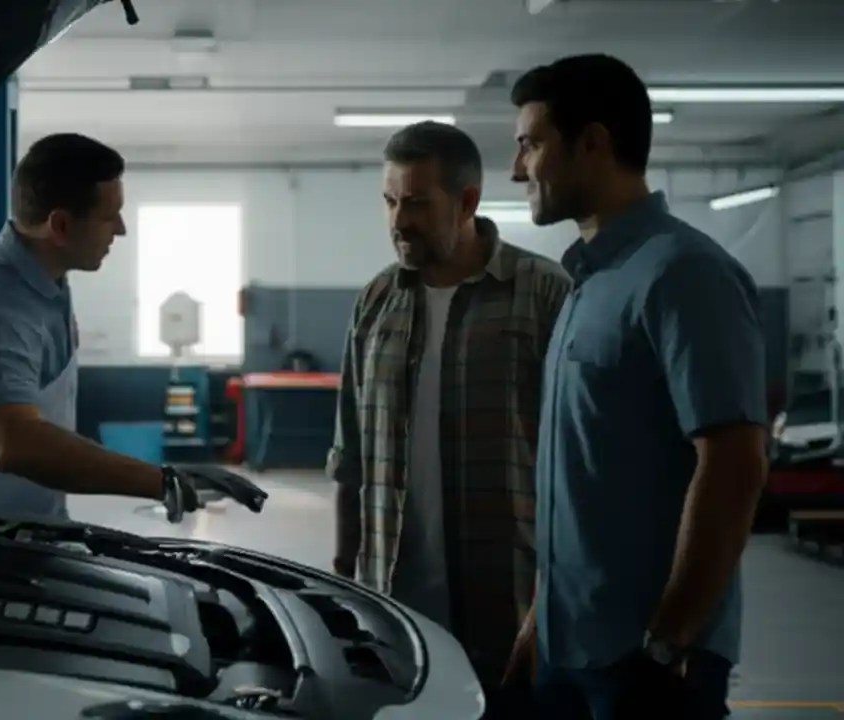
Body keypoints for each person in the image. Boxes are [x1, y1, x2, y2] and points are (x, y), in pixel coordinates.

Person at [507, 54, 768, 719]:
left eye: (530, 144)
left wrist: (669, 639)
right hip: (569, 648)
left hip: (647, 664)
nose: (517, 169)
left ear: (592, 143)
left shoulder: (683, 274)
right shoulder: (588, 283)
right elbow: (580, 478)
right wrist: (541, 617)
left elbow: (735, 461)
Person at [0, 133, 267, 523]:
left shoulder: (45, 283)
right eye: (109, 216)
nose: (120, 229)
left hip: (13, 528)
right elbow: (14, 442)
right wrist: (159, 480)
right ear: (60, 225)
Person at [327, 121, 572, 700]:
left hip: (510, 606)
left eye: (415, 203)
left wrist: (554, 603)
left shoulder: (544, 293)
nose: (397, 220)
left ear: (467, 202)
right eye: (389, 201)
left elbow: (577, 469)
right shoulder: (377, 299)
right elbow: (350, 455)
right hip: (393, 613)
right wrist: (341, 582)